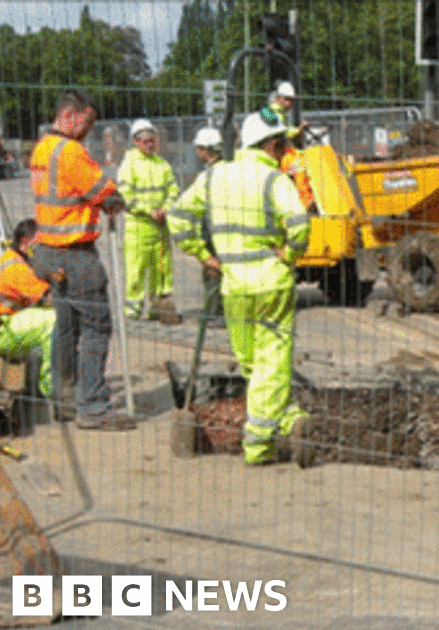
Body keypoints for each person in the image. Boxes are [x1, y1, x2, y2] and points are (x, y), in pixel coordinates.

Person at [167, 109, 311, 466]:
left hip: (233, 285)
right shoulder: (274, 179)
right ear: (271, 144)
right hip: (272, 284)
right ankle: (260, 443)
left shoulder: (214, 176)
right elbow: (300, 225)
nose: (284, 150)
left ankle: (290, 419)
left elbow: (178, 217)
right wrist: (291, 254)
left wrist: (203, 255)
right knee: (271, 365)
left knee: (252, 364)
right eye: (282, 144)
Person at [28, 89, 135, 431]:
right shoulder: (70, 151)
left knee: (66, 328)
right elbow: (103, 191)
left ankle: (64, 399)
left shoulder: (42, 148)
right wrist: (116, 199)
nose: (89, 130)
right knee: (95, 328)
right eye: (87, 121)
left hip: (48, 252)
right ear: (69, 115)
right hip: (75, 253)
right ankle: (93, 407)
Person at [116, 118, 181, 324]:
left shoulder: (163, 165)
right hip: (138, 227)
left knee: (160, 270)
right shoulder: (129, 165)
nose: (149, 144)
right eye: (145, 141)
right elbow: (125, 195)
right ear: (135, 141)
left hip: (159, 227)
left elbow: (173, 190)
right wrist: (148, 211)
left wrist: (165, 209)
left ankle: (157, 308)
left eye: (152, 140)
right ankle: (133, 311)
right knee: (136, 270)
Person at [0, 219, 58, 398]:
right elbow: (52, 299)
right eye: (40, 244)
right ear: (25, 243)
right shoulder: (18, 269)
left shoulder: (9, 259)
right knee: (53, 321)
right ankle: (51, 388)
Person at [183, 126, 225, 323]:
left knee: (213, 271)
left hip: (214, 231)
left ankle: (215, 313)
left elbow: (183, 212)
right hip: (228, 231)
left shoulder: (208, 177)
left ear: (203, 150)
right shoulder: (231, 169)